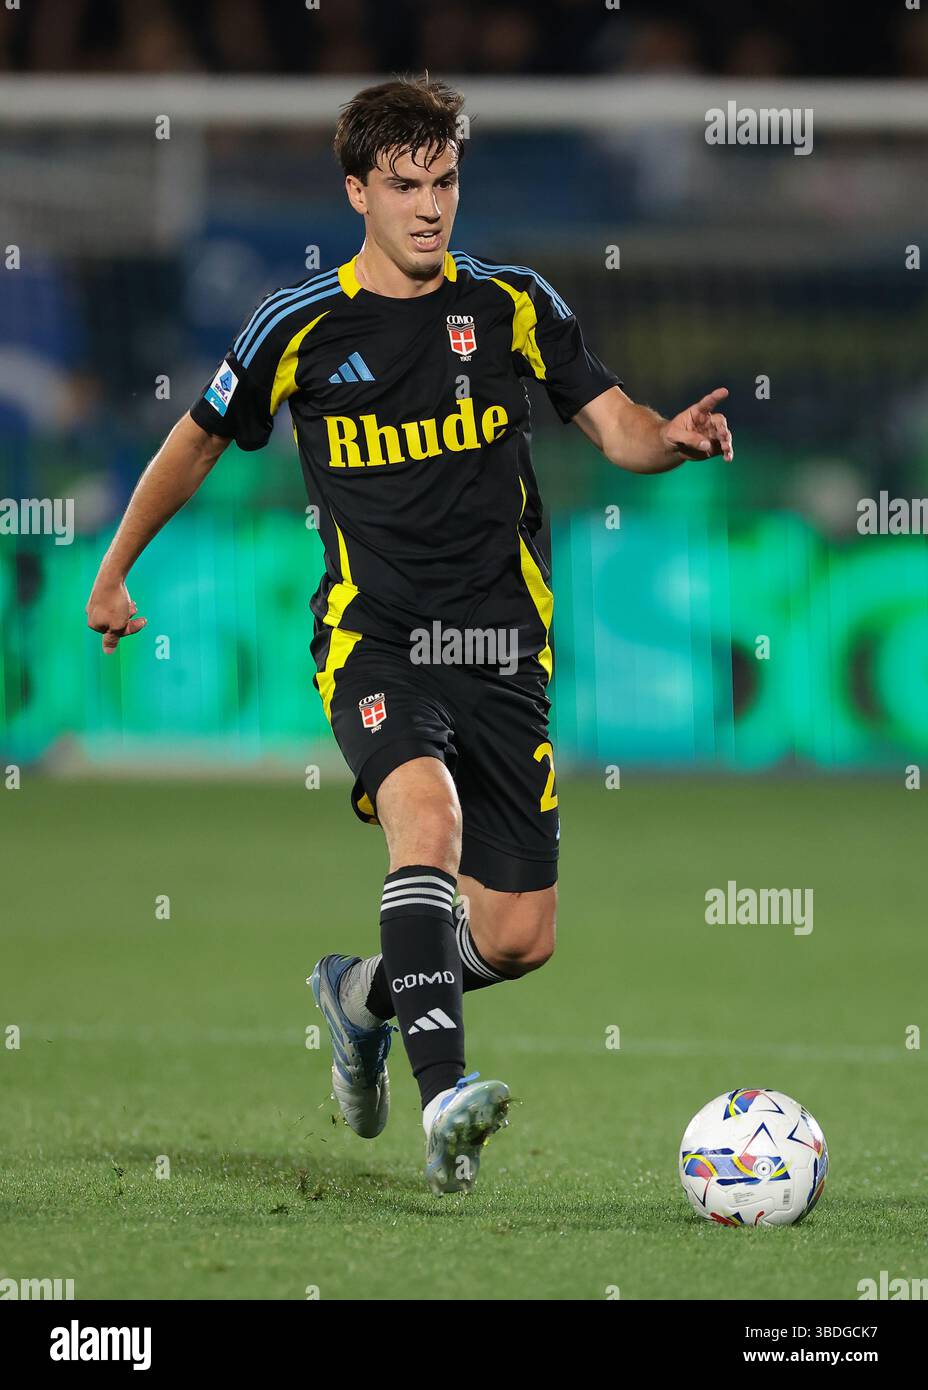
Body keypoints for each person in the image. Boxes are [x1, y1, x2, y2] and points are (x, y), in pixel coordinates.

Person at [86, 74, 733, 1196]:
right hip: (375, 642)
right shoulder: (298, 325)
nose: (431, 207)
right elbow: (195, 440)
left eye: (444, 182)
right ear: (356, 192)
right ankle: (445, 1095)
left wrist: (669, 437)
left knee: (522, 934)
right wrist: (113, 565)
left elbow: (615, 424)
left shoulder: (514, 304)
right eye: (404, 186)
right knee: (421, 824)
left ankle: (359, 996)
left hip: (504, 654)